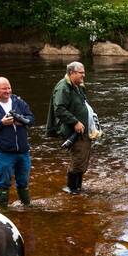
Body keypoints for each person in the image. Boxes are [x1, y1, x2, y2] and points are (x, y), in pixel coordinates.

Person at [0, 77, 34, 208]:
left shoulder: (18, 102)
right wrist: (1, 122)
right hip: (4, 152)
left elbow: (31, 118)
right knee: (4, 181)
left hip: (23, 150)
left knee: (24, 181)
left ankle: (26, 206)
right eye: (4, 88)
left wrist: (22, 121)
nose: (8, 91)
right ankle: (3, 208)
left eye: (9, 88)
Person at [47, 62, 96, 195]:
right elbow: (59, 109)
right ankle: (71, 189)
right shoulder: (63, 87)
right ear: (71, 73)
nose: (84, 75)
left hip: (83, 131)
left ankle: (78, 188)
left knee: (83, 158)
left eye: (83, 72)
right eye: (81, 73)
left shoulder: (78, 86)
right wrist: (75, 122)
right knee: (78, 159)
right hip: (73, 131)